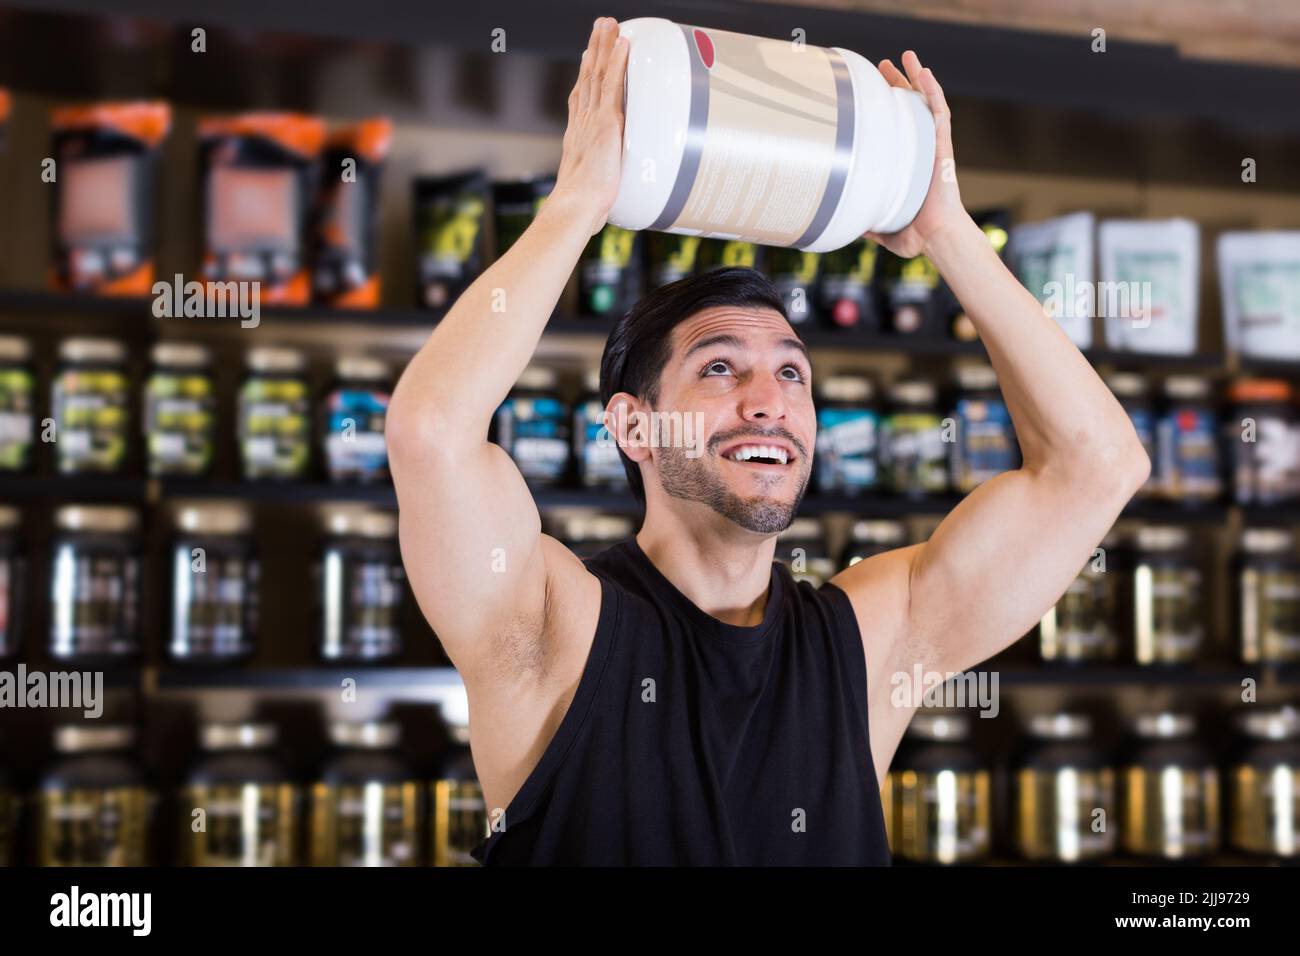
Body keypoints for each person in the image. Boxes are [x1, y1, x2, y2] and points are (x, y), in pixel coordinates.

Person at [386, 17, 1150, 865]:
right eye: (719, 369)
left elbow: (1098, 467)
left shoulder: (870, 645)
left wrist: (946, 231)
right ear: (632, 426)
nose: (768, 402)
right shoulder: (552, 628)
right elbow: (432, 432)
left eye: (792, 374)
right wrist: (577, 206)